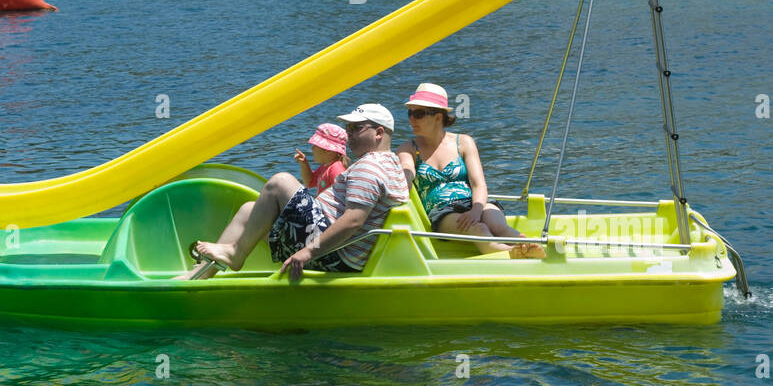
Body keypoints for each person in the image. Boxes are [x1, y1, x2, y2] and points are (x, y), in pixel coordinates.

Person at [183, 104, 408, 281]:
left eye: (356, 128)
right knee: (249, 211)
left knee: (281, 181)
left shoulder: (370, 167)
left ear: (379, 132)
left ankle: (235, 253)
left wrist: (308, 253)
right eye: (348, 128)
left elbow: (353, 221)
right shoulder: (390, 163)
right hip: (334, 247)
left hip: (334, 254)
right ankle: (200, 274)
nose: (349, 134)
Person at [397, 83, 544, 259]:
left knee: (497, 225)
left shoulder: (464, 142)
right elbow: (407, 169)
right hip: (442, 211)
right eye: (410, 113)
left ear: (438, 117)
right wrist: (403, 178)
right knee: (478, 228)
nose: (412, 119)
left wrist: (475, 210)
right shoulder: (408, 149)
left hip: (473, 202)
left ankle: (530, 246)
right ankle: (511, 252)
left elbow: (478, 183)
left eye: (418, 114)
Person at [294, 123, 348, 198]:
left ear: (329, 150)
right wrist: (304, 164)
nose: (312, 148)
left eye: (315, 146)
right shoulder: (325, 166)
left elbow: (342, 195)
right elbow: (310, 182)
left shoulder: (336, 168)